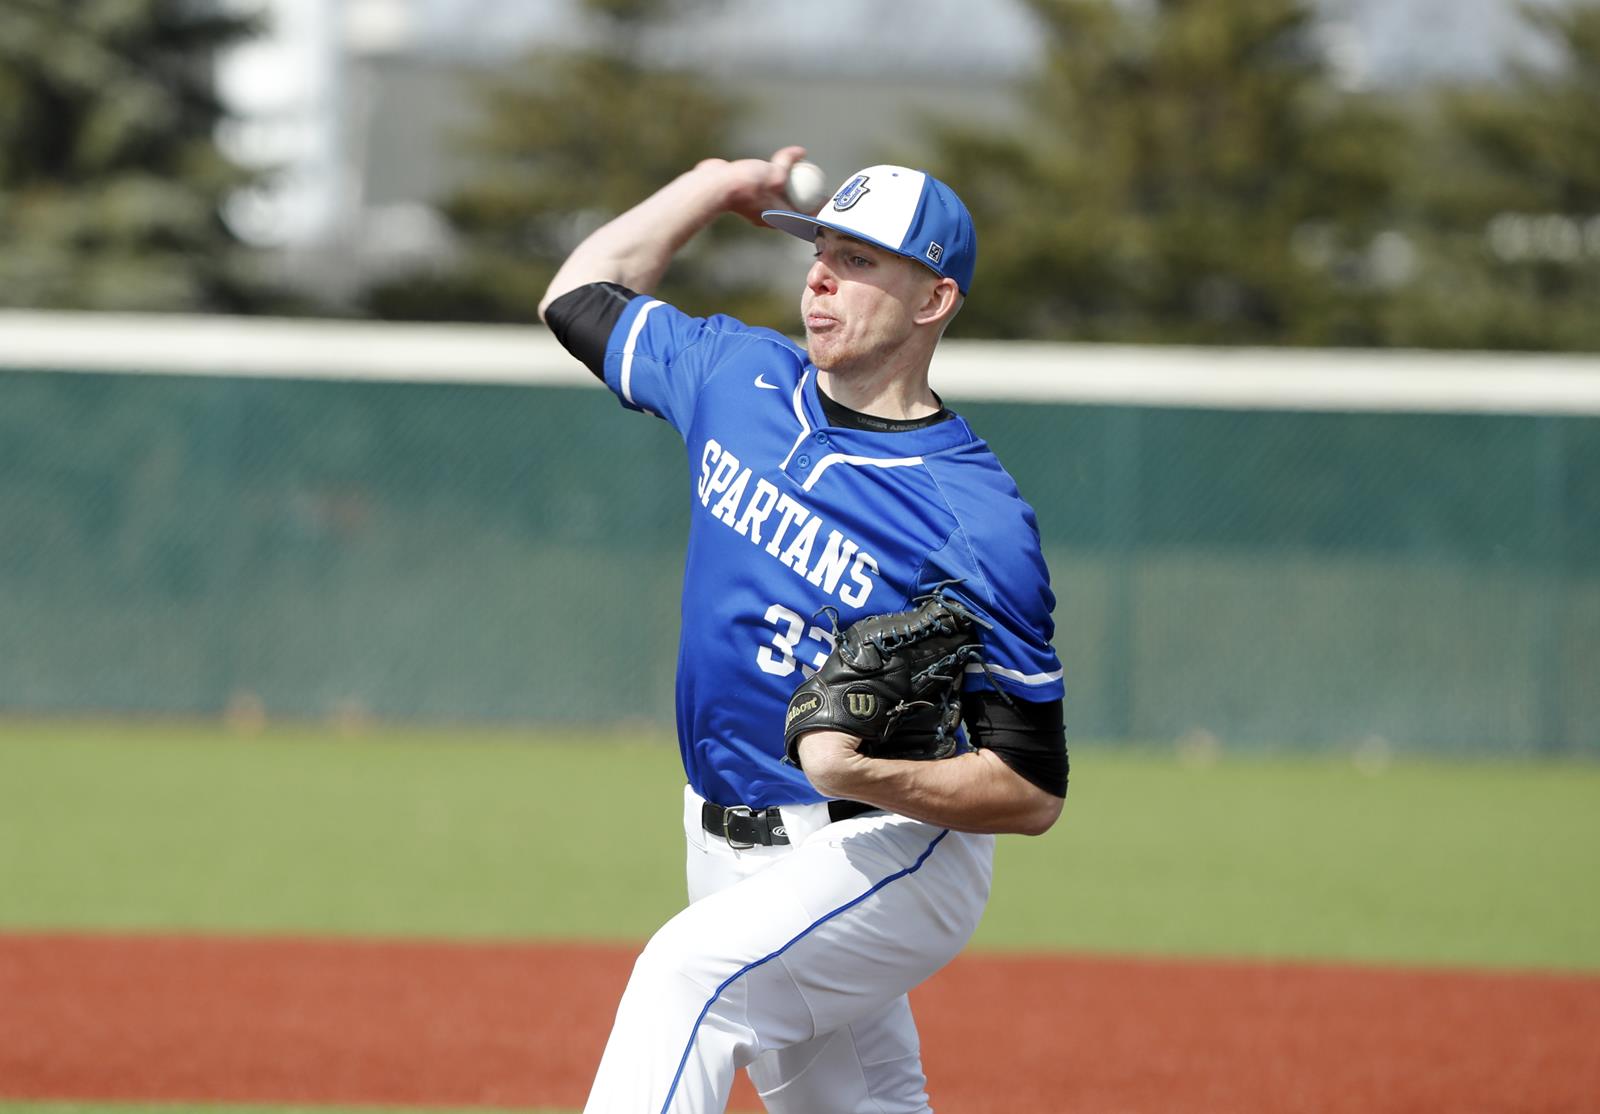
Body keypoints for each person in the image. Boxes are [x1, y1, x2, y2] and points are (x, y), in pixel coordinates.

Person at [539, 146, 1068, 1114]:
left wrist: (861, 773)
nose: (821, 274)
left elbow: (1030, 787)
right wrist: (712, 188)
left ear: (932, 301)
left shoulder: (973, 516)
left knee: (684, 980)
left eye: (861, 259)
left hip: (887, 849)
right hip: (724, 840)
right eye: (820, 248)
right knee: (853, 1103)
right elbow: (578, 295)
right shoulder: (735, 377)